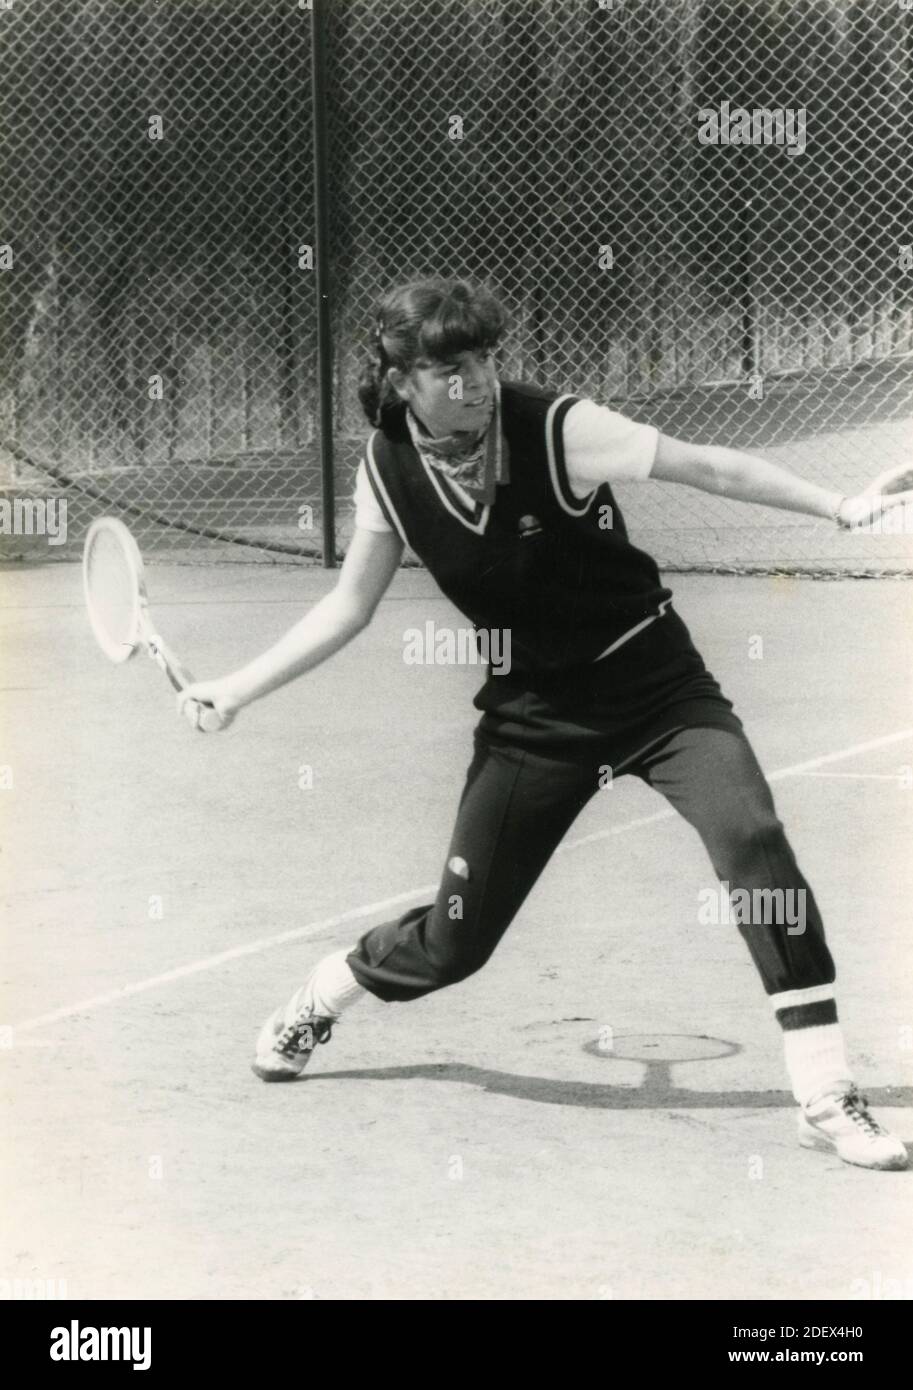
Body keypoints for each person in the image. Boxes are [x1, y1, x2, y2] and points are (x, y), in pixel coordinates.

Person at [180, 278, 911, 1171]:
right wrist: (236, 688)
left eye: (485, 359)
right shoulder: (385, 469)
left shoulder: (558, 426)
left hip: (658, 688)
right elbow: (348, 608)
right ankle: (329, 989)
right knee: (454, 944)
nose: (477, 381)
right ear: (400, 377)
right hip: (534, 720)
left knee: (753, 843)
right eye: (450, 368)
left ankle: (826, 1096)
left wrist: (841, 507)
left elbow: (707, 464)